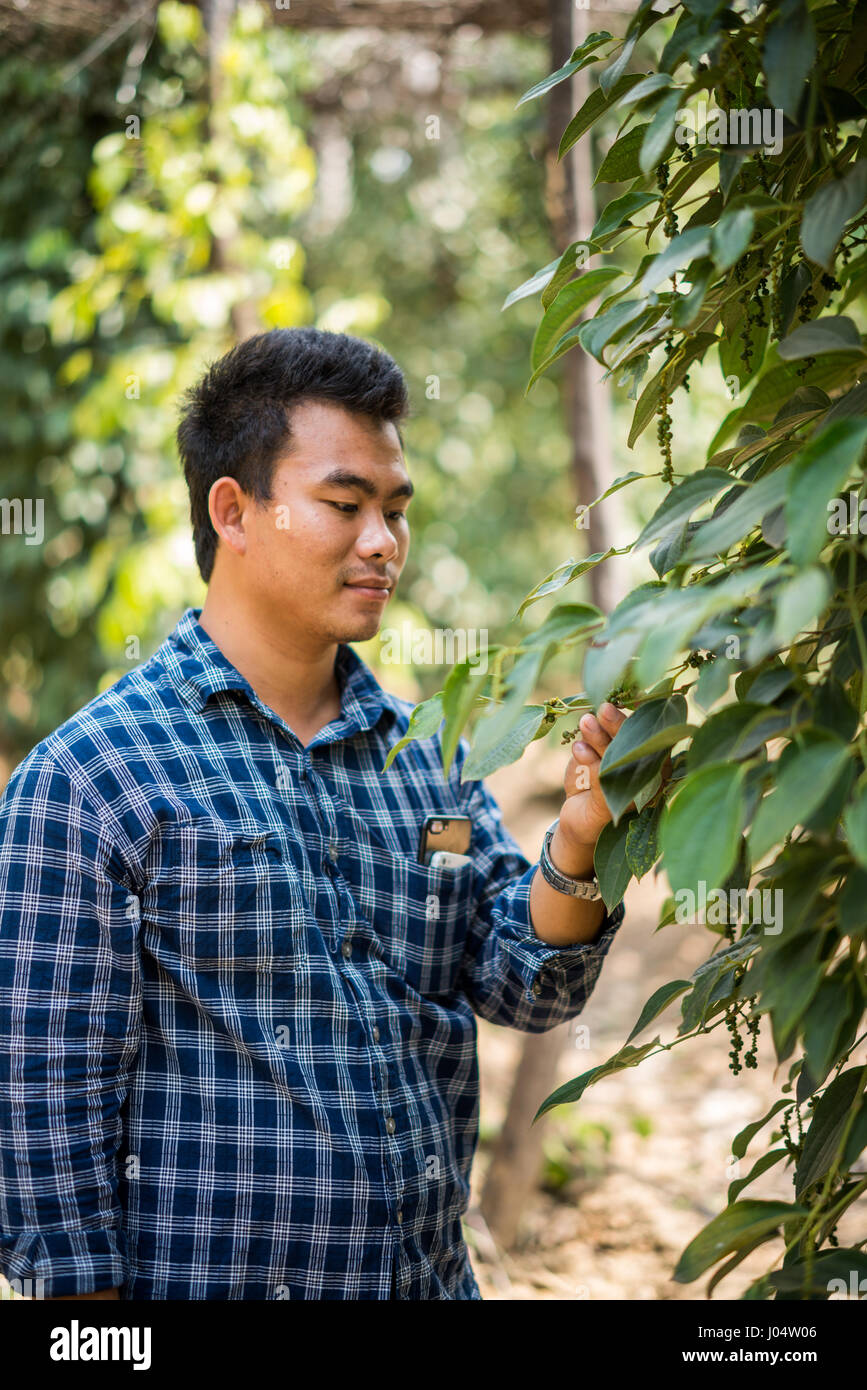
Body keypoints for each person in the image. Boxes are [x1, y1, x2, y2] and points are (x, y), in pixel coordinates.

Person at [0, 327, 627, 1301]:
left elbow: (523, 983)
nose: (384, 541)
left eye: (395, 509)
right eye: (345, 504)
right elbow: (46, 1127)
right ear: (234, 510)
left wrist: (578, 844)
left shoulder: (429, 760)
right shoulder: (94, 778)